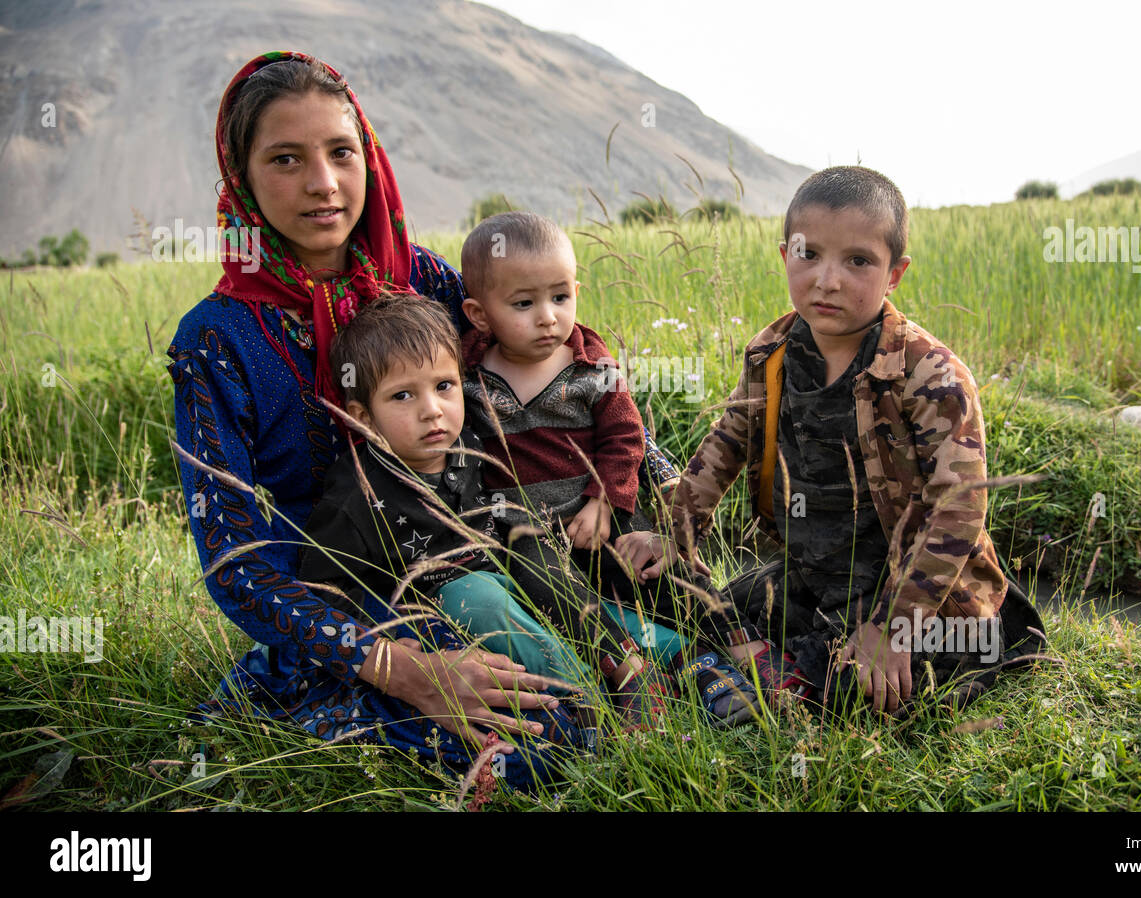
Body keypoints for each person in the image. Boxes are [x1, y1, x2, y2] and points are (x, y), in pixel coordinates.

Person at [167, 51, 677, 790]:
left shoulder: (425, 281)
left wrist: (659, 492)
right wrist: (403, 668)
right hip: (344, 610)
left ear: (368, 156)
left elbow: (572, 380)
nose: (323, 183)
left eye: (342, 153)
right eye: (286, 159)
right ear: (241, 179)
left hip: (488, 550)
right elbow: (235, 563)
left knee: (665, 625)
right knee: (540, 727)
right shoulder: (216, 341)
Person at [627, 166, 1045, 716]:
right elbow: (728, 440)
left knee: (864, 688)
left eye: (858, 261)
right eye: (809, 254)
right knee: (691, 601)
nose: (828, 279)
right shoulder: (771, 352)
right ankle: (755, 667)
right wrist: (675, 532)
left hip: (917, 591)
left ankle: (784, 682)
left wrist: (894, 630)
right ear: (784, 257)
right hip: (813, 573)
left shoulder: (929, 374)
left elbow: (958, 509)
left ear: (894, 274)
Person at [299, 291, 667, 730]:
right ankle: (580, 697)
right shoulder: (356, 493)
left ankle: (668, 660)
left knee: (551, 565)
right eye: (402, 396)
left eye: (443, 386)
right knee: (474, 594)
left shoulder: (473, 445)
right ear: (363, 417)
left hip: (517, 579)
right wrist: (390, 646)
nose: (431, 411)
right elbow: (324, 589)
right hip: (444, 614)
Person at [458, 211, 760, 726]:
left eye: (560, 297)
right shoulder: (466, 380)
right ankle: (627, 665)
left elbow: (626, 438)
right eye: (523, 304)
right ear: (480, 314)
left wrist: (606, 499)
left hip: (601, 506)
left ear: (576, 289)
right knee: (544, 581)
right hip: (526, 524)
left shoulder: (592, 368)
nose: (548, 316)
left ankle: (736, 651)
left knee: (657, 567)